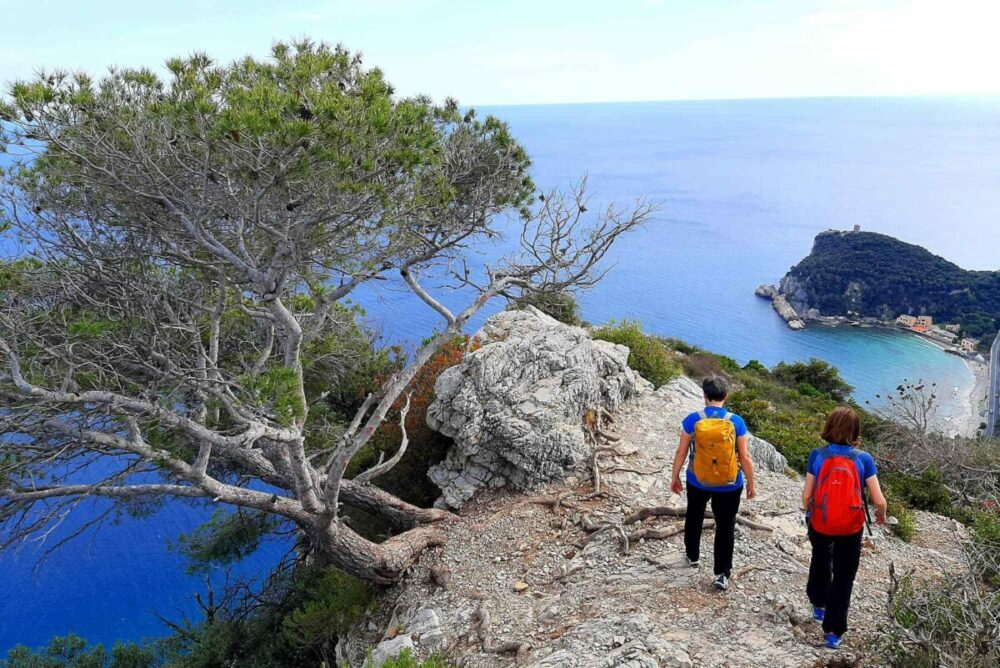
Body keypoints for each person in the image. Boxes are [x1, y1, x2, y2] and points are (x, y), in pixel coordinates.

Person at [802, 406, 887, 649]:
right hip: (850, 527)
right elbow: (879, 500)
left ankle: (819, 604)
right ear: (856, 431)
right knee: (843, 577)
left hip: (820, 522)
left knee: (820, 557)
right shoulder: (863, 459)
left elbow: (807, 495)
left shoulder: (817, 455)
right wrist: (880, 515)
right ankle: (833, 632)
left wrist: (811, 512)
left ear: (829, 426)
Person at [671, 375, 756, 591]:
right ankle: (721, 574)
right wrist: (751, 483)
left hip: (697, 479)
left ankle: (692, 556)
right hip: (729, 483)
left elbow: (681, 451)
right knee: (725, 526)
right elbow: (744, 457)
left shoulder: (692, 419)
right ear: (725, 396)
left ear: (704, 396)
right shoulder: (736, 421)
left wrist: (675, 476)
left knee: (694, 515)